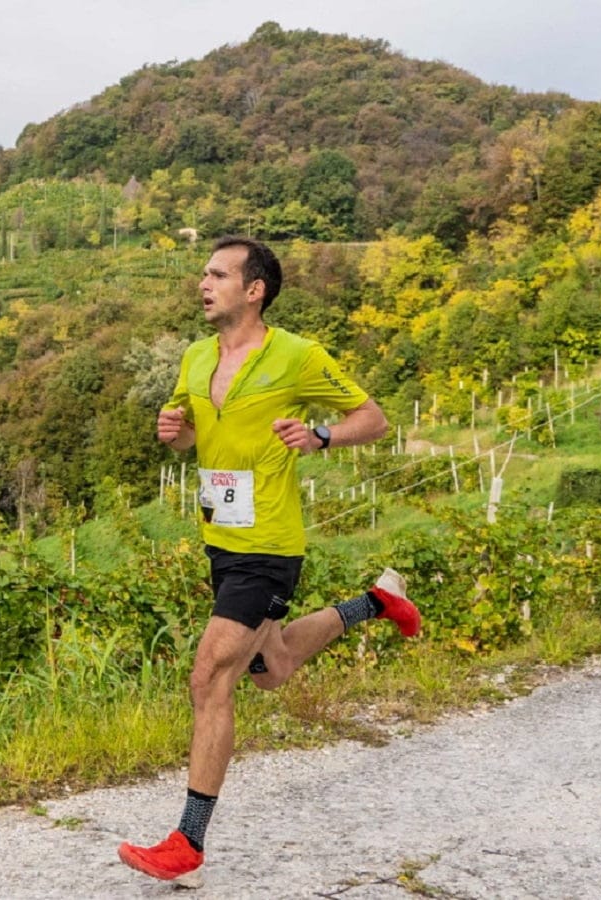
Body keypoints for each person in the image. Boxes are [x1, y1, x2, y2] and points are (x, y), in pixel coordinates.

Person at [118, 236, 421, 883]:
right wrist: (177, 435)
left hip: (270, 546)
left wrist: (321, 435)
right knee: (271, 666)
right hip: (220, 541)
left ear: (254, 290)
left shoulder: (296, 357)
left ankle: (188, 844)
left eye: (218, 274)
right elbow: (197, 432)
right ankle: (377, 602)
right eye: (203, 273)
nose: (204, 282)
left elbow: (374, 418)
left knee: (210, 677)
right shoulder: (196, 358)